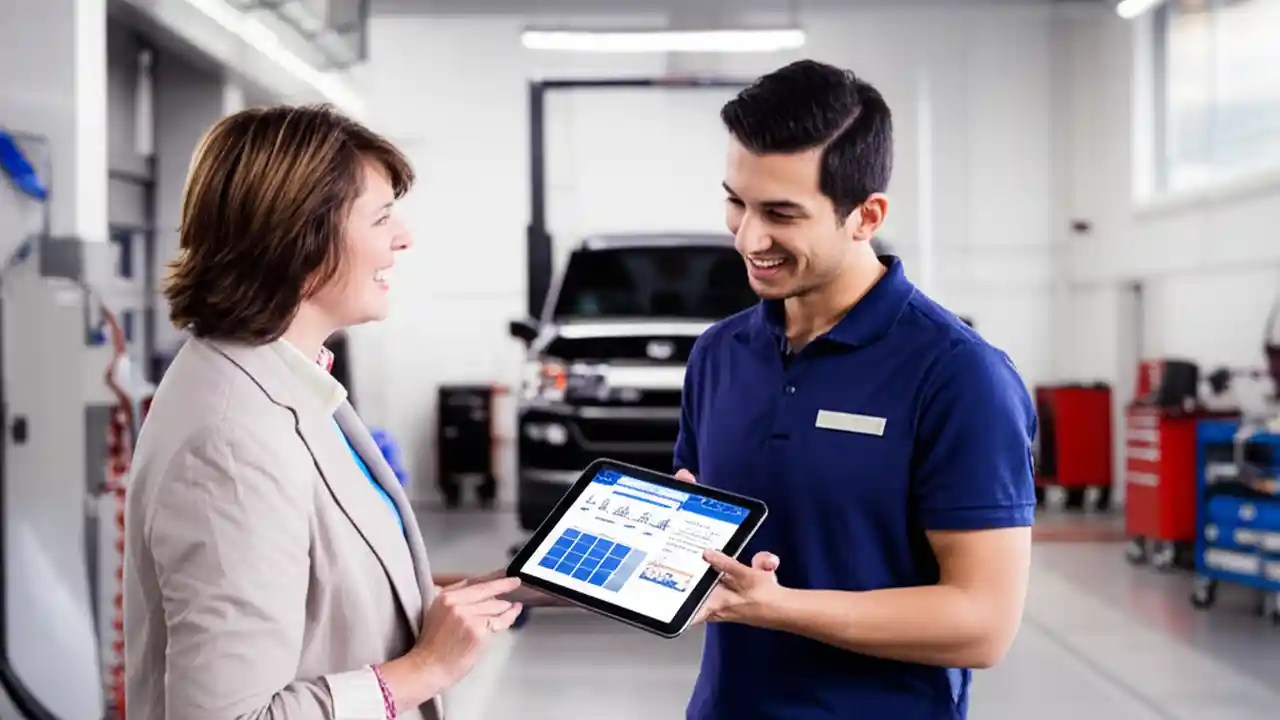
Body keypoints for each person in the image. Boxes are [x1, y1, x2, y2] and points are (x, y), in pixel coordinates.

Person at [123, 105, 526, 720]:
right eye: (381, 217)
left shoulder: (283, 382)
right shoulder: (230, 443)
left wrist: (499, 591)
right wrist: (425, 670)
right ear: (301, 238)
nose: (404, 238)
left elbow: (324, 590)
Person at [674, 60, 1037, 719]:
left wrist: (779, 607)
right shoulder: (719, 355)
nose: (749, 237)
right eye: (737, 202)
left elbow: (983, 624)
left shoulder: (958, 375)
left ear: (867, 215)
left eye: (781, 214)